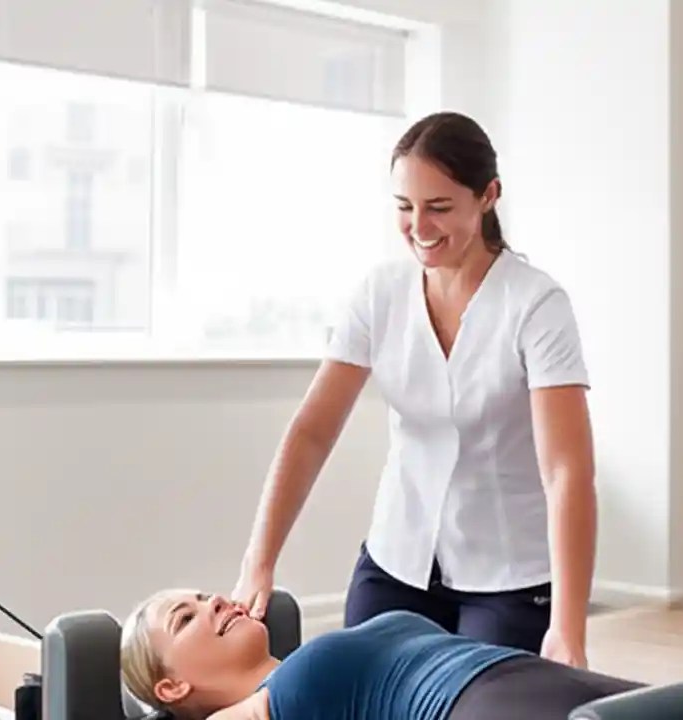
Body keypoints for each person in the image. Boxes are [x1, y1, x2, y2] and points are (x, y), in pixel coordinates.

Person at [231, 110, 598, 668]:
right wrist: (258, 561)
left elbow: (566, 472)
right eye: (405, 207)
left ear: (488, 196)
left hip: (508, 578)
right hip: (397, 559)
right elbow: (311, 432)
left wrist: (568, 630)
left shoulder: (537, 306)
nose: (420, 226)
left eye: (440, 207)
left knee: (473, 702)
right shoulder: (380, 294)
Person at [120, 589, 641, 720]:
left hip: (529, 675)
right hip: (470, 705)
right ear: (171, 688)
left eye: (203, 595)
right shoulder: (259, 706)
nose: (211, 601)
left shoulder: (291, 675)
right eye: (184, 619)